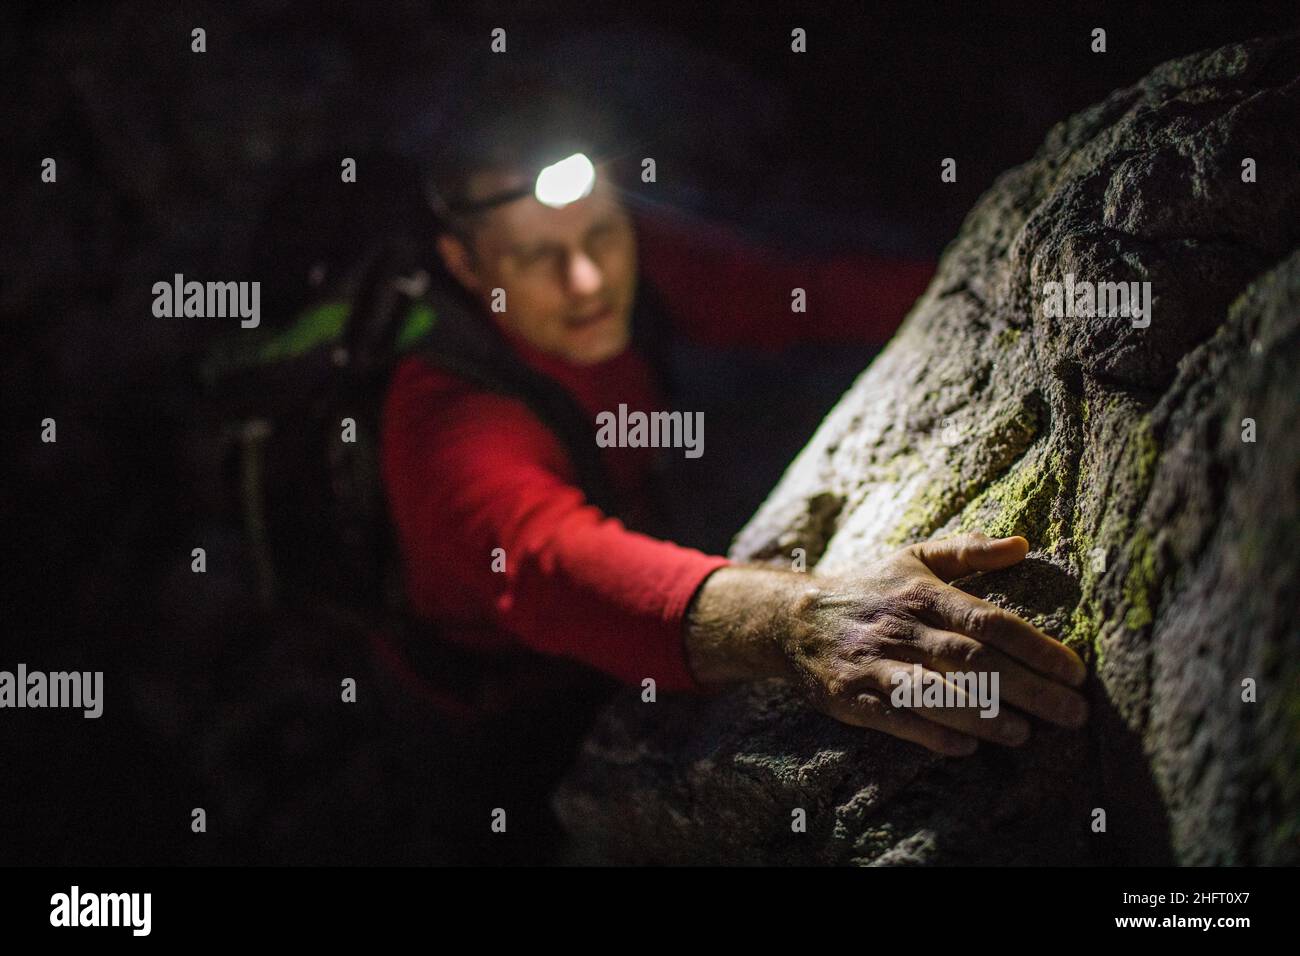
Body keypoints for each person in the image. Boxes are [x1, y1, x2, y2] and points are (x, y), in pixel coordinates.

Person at [379, 78, 1089, 855]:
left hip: (628, 600)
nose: (587, 280)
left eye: (603, 235)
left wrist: (1017, 288)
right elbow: (554, 564)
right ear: (465, 263)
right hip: (490, 696)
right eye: (536, 256)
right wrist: (798, 622)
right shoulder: (443, 419)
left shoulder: (627, 268)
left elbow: (796, 295)